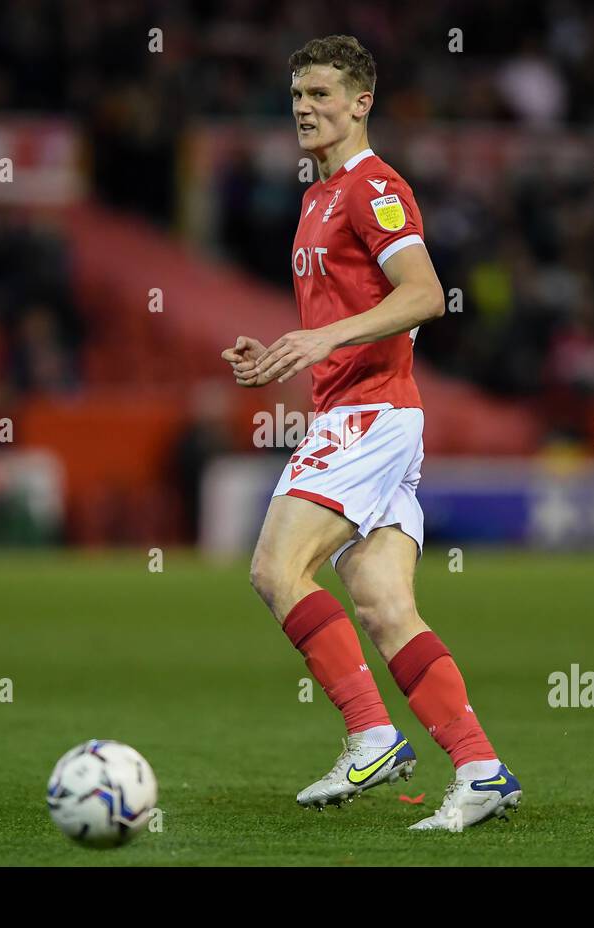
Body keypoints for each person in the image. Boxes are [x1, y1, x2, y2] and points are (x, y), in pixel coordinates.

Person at [222, 35, 520, 831]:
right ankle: (481, 767)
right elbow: (341, 315)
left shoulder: (373, 187)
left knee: (275, 569)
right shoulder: (316, 197)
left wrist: (326, 340)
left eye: (321, 94)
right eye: (296, 97)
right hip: (360, 411)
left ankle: (371, 732)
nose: (305, 110)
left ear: (362, 103)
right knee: (385, 607)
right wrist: (285, 350)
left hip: (372, 414)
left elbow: (424, 295)